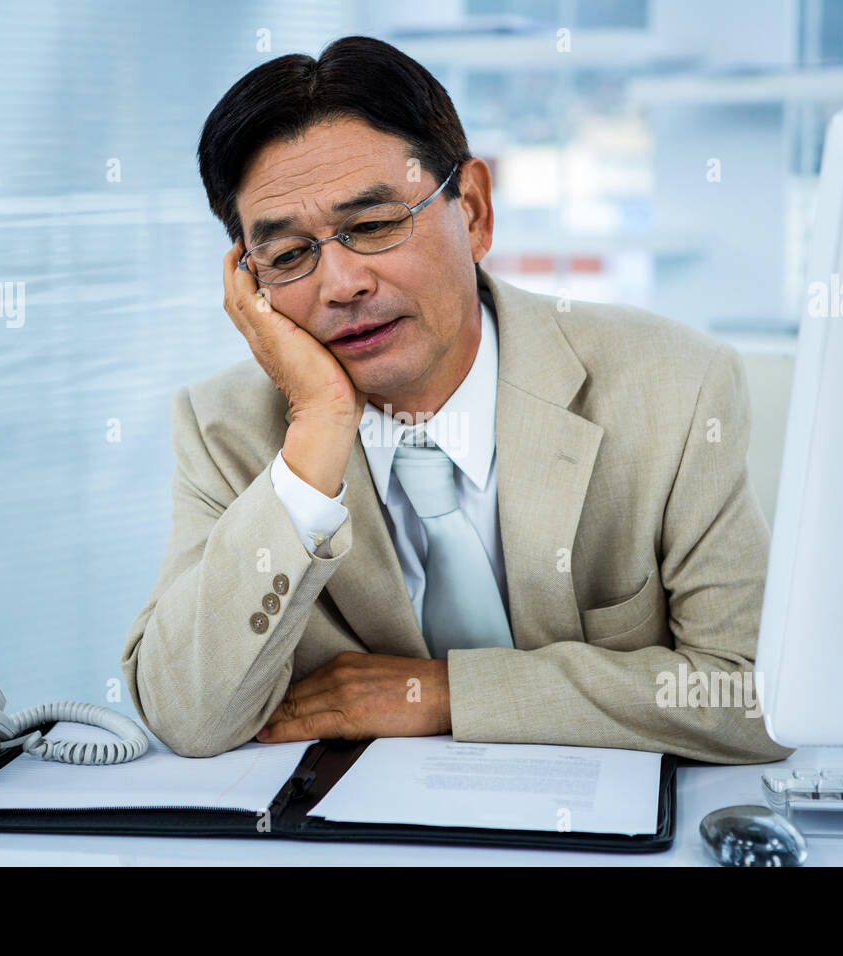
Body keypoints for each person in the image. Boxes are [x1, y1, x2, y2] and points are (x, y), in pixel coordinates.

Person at [121, 35, 793, 765]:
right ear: (249, 286)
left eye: (373, 226)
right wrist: (317, 428)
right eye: (288, 257)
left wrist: (443, 694)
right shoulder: (226, 427)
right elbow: (187, 715)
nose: (342, 284)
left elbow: (754, 696)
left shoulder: (675, 386)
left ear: (472, 211)